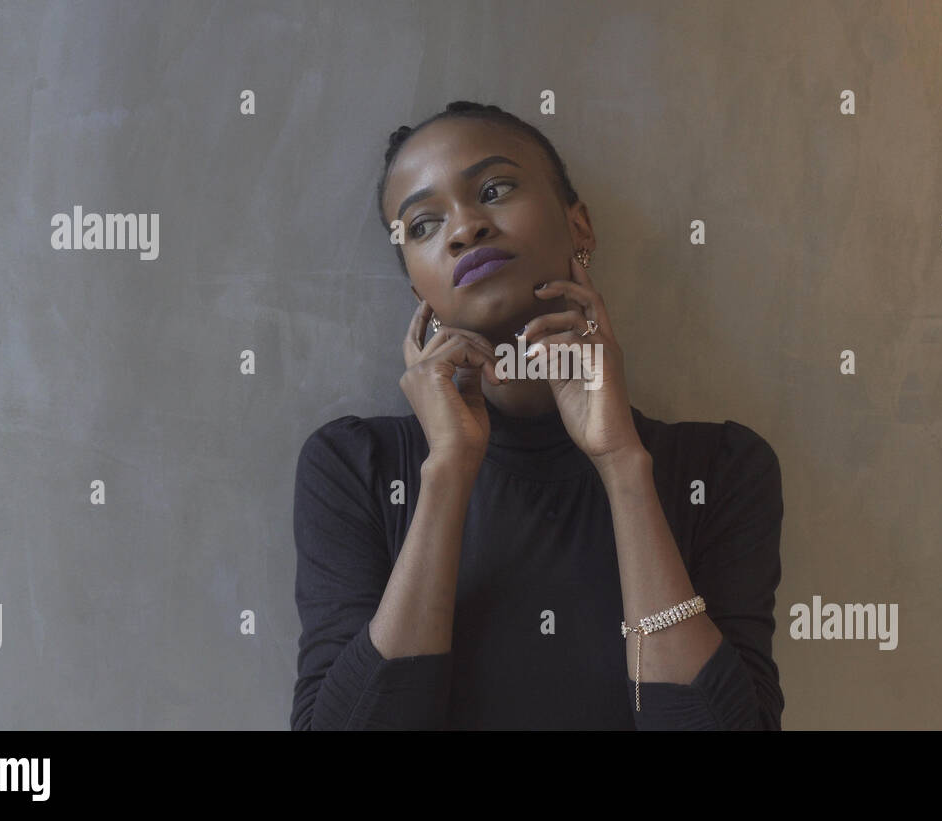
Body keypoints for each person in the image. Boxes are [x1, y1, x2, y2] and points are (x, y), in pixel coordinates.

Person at [290, 101, 784, 730]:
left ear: (579, 227)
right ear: (419, 289)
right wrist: (446, 472)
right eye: (422, 225)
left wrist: (621, 463)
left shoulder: (721, 469)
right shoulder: (354, 467)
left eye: (493, 190)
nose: (464, 229)